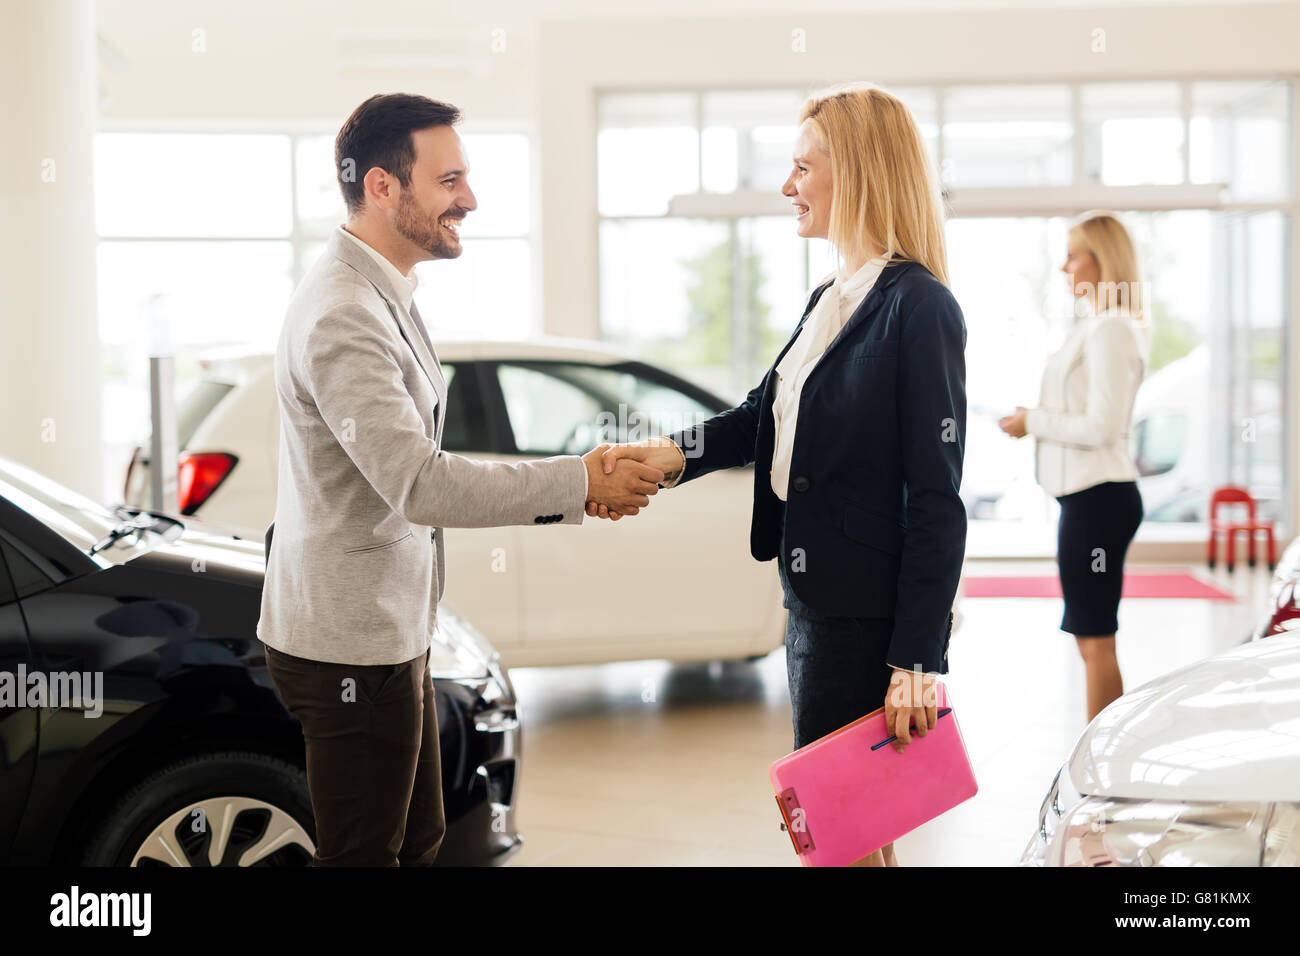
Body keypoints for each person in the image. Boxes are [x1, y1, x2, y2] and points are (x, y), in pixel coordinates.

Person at [256, 93, 665, 866]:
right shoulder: (343, 312)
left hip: (385, 631)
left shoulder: (384, 291)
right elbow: (421, 484)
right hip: (351, 647)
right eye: (449, 182)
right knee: (370, 853)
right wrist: (577, 481)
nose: (468, 200)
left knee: (419, 840)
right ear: (382, 186)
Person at [591, 83, 967, 867]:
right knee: (854, 831)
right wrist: (668, 456)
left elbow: (937, 498)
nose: (787, 186)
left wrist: (917, 661)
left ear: (858, 172)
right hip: (812, 604)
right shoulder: (829, 298)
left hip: (865, 621)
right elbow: (759, 417)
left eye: (802, 168)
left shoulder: (917, 307)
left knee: (835, 835)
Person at [998, 210, 1148, 722]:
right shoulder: (1097, 327)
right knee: (1092, 635)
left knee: (1095, 638)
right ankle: (1105, 763)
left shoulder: (1111, 330)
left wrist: (1033, 420)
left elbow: (1102, 426)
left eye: (1072, 255)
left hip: (1099, 500)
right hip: (1088, 499)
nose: (1064, 267)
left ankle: (1104, 770)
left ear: (1099, 260)